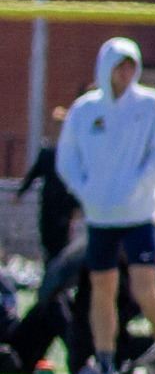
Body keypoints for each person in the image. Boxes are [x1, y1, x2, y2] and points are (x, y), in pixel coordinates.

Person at [56, 37, 155, 374]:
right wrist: (88, 192)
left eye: (130, 65)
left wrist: (137, 188)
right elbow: (68, 159)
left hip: (138, 214)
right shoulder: (84, 109)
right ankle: (105, 360)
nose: (125, 72)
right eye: (118, 65)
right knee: (102, 289)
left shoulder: (150, 104)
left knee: (144, 288)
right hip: (100, 217)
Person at [18, 107, 80, 262]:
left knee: (61, 242)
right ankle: (50, 274)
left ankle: (59, 277)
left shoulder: (72, 153)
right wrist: (20, 193)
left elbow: (77, 180)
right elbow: (34, 174)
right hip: (48, 204)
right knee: (46, 238)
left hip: (64, 205)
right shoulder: (46, 153)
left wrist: (77, 205)